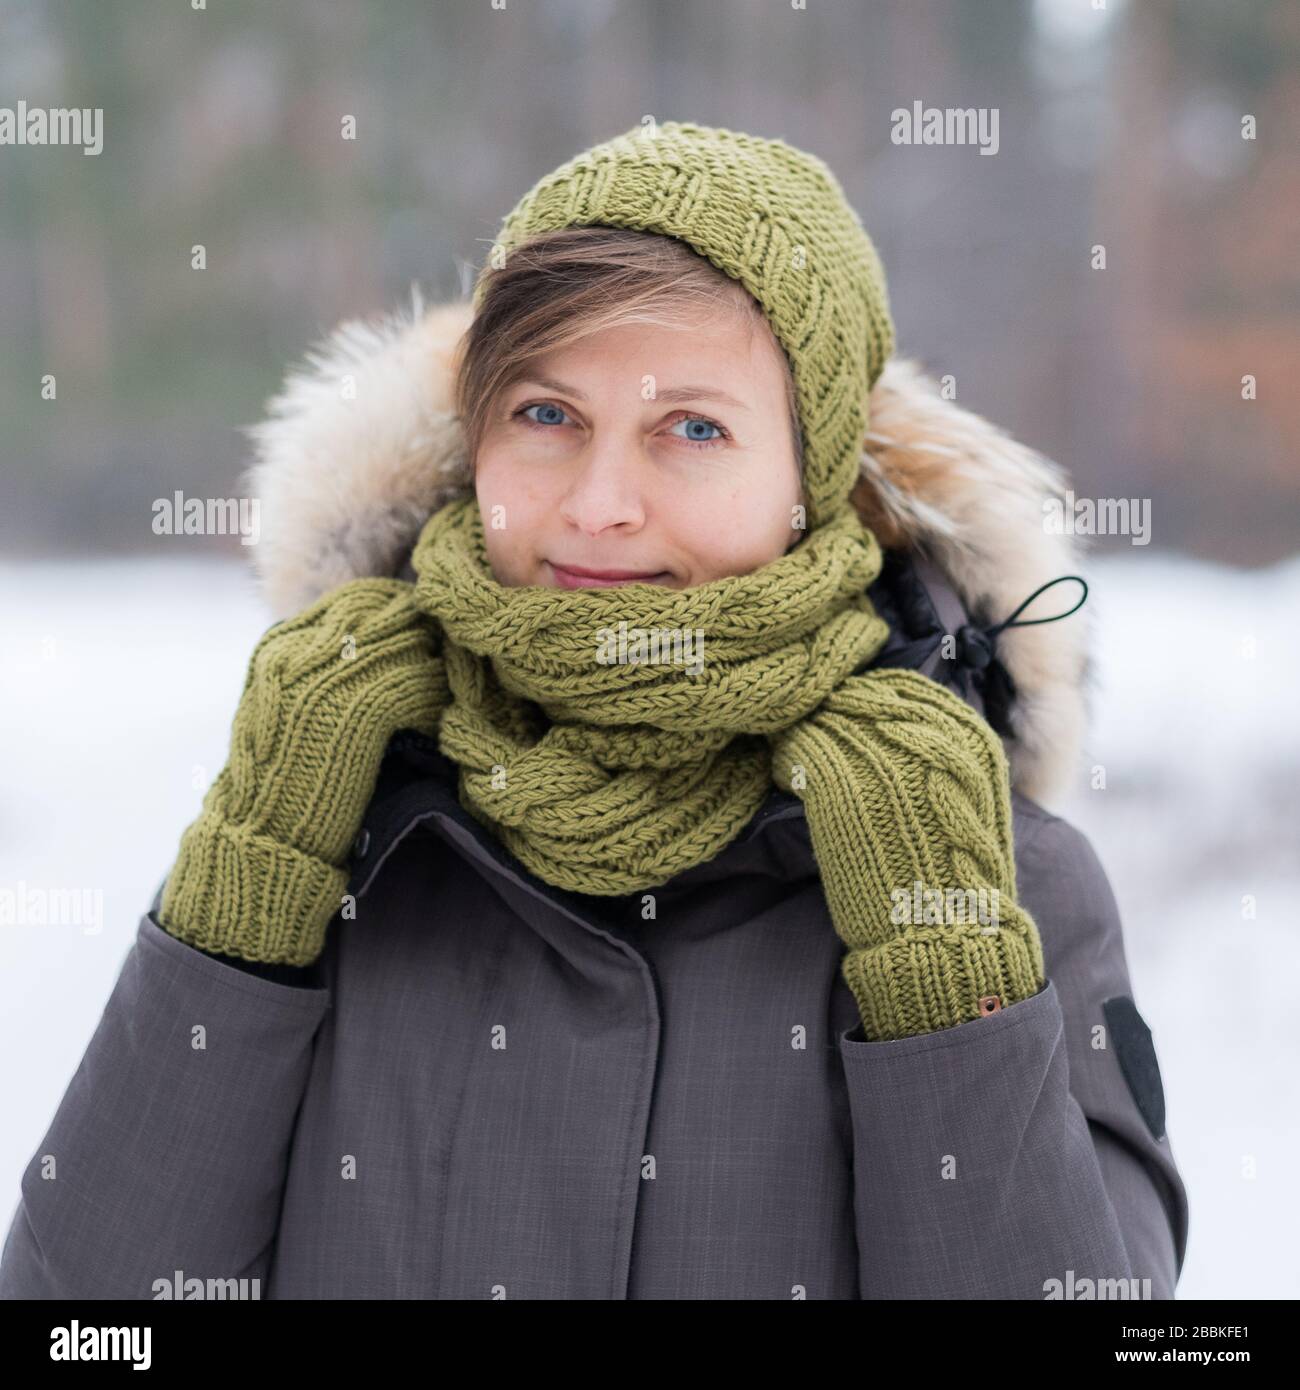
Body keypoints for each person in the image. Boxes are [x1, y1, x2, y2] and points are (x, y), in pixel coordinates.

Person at [0, 120, 1188, 1300]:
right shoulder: (327, 818)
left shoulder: (995, 880)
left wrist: (939, 970)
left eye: (694, 428)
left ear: (811, 484)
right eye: (547, 415)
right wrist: (253, 873)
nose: (600, 502)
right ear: (474, 439)